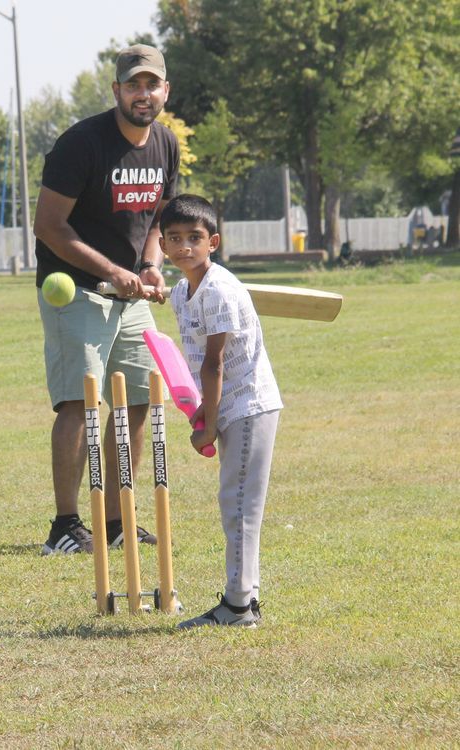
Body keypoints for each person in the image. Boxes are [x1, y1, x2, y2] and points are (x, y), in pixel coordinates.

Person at [33, 43, 179, 555]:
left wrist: (150, 265)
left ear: (165, 91)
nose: (143, 94)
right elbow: (49, 226)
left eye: (151, 84)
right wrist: (113, 271)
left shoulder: (165, 144)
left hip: (130, 294)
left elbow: (158, 218)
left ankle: (116, 521)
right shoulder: (81, 144)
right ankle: (65, 526)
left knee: (137, 401)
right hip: (77, 289)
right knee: (81, 401)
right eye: (133, 84)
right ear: (116, 90)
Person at [156, 194, 283, 628]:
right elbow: (193, 360)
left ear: (213, 242)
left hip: (247, 404)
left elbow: (214, 363)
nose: (184, 246)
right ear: (162, 245)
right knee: (236, 502)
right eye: (174, 238)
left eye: (194, 238)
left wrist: (207, 427)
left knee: (239, 505)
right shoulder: (182, 290)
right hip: (224, 404)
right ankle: (246, 598)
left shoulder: (219, 291)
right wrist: (203, 411)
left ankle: (238, 607)